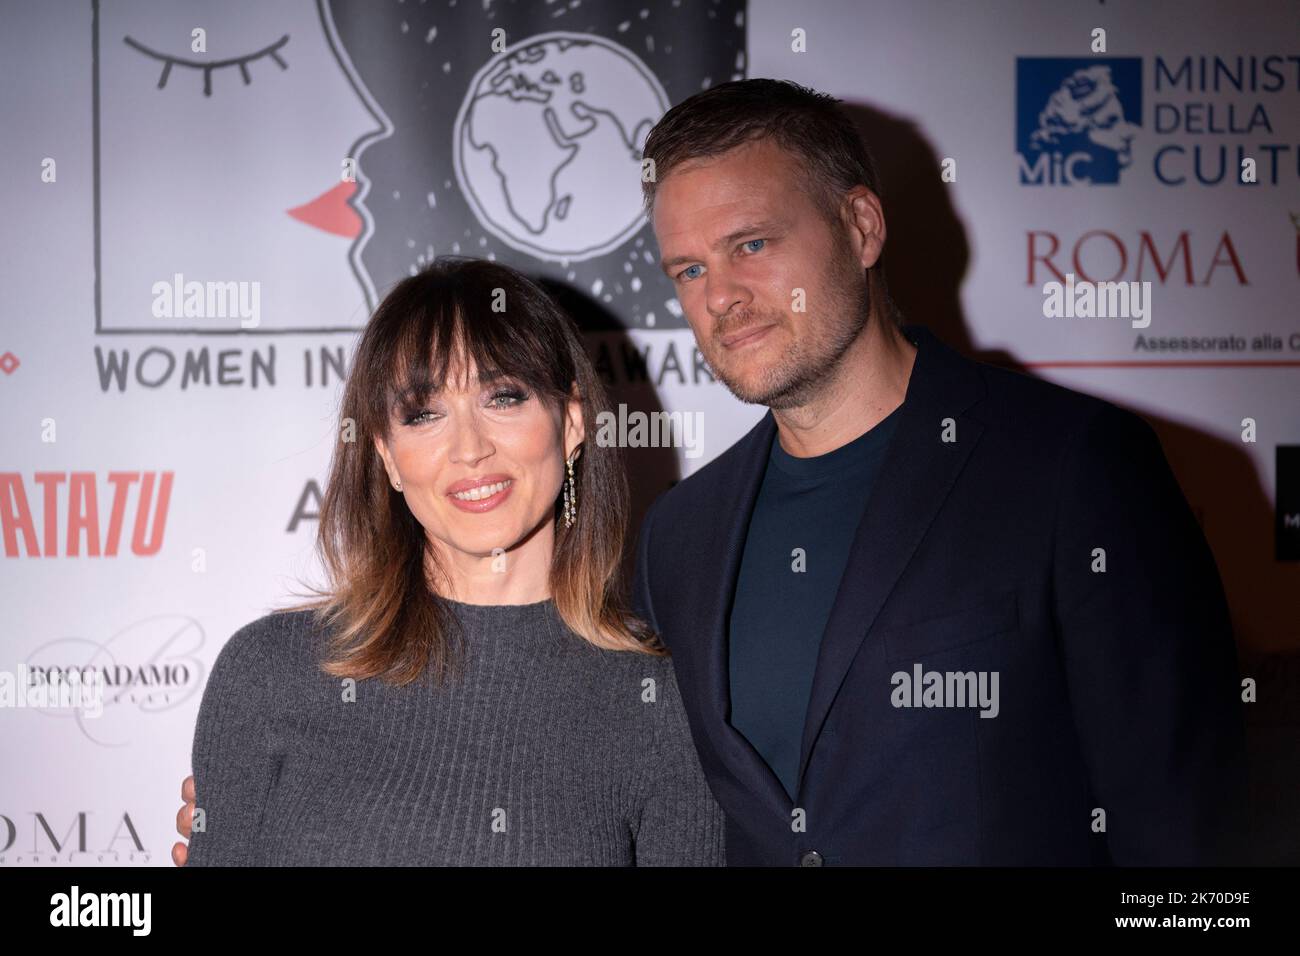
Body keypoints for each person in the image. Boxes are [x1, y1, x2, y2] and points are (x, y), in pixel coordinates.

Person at [630, 78, 1248, 865]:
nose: (719, 297)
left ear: (860, 227)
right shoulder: (678, 537)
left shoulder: (1072, 466)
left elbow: (1182, 827)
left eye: (751, 245)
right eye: (687, 270)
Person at [173, 257, 724, 866]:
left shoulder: (657, 698)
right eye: (423, 413)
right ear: (386, 454)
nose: (470, 448)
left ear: (569, 425)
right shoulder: (270, 673)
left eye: (503, 397)